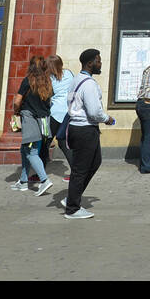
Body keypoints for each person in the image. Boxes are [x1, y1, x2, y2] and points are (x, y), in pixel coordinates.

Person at [63, 48, 115, 218]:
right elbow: (94, 112)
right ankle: (72, 208)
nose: (100, 64)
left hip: (78, 128)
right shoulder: (89, 84)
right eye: (98, 61)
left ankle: (73, 196)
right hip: (85, 129)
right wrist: (107, 118)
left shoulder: (76, 80)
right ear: (90, 63)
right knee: (80, 169)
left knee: (94, 162)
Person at [10, 56, 54, 195]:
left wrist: (16, 111)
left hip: (30, 120)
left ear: (31, 67)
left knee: (31, 152)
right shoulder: (48, 82)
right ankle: (23, 181)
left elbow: (17, 100)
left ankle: (44, 180)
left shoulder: (27, 81)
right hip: (43, 122)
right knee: (25, 150)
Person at [47, 54, 75, 177]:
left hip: (56, 112)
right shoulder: (69, 73)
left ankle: (39, 172)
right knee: (64, 142)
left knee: (46, 142)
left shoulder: (50, 78)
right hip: (68, 111)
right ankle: (75, 170)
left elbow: (47, 95)